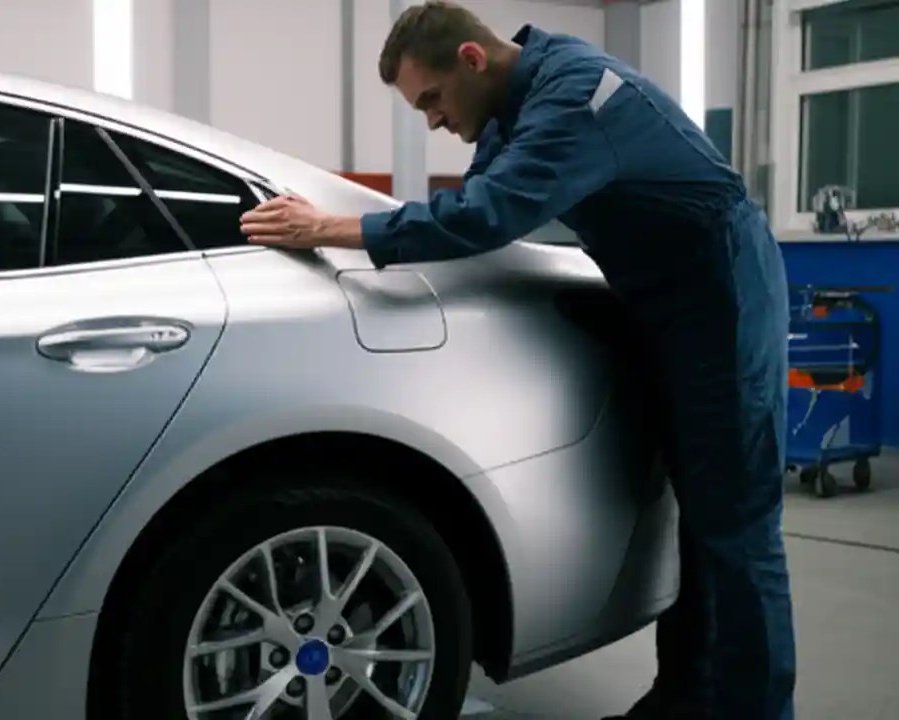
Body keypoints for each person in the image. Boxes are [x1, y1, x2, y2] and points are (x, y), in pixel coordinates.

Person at [238, 2, 796, 719]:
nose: (433, 121)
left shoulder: (577, 95)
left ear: (471, 59)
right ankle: (688, 699)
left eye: (432, 100)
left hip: (722, 293)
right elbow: (471, 205)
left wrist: (329, 228)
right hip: (661, 302)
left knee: (738, 524)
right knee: (700, 518)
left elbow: (485, 216)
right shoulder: (508, 107)